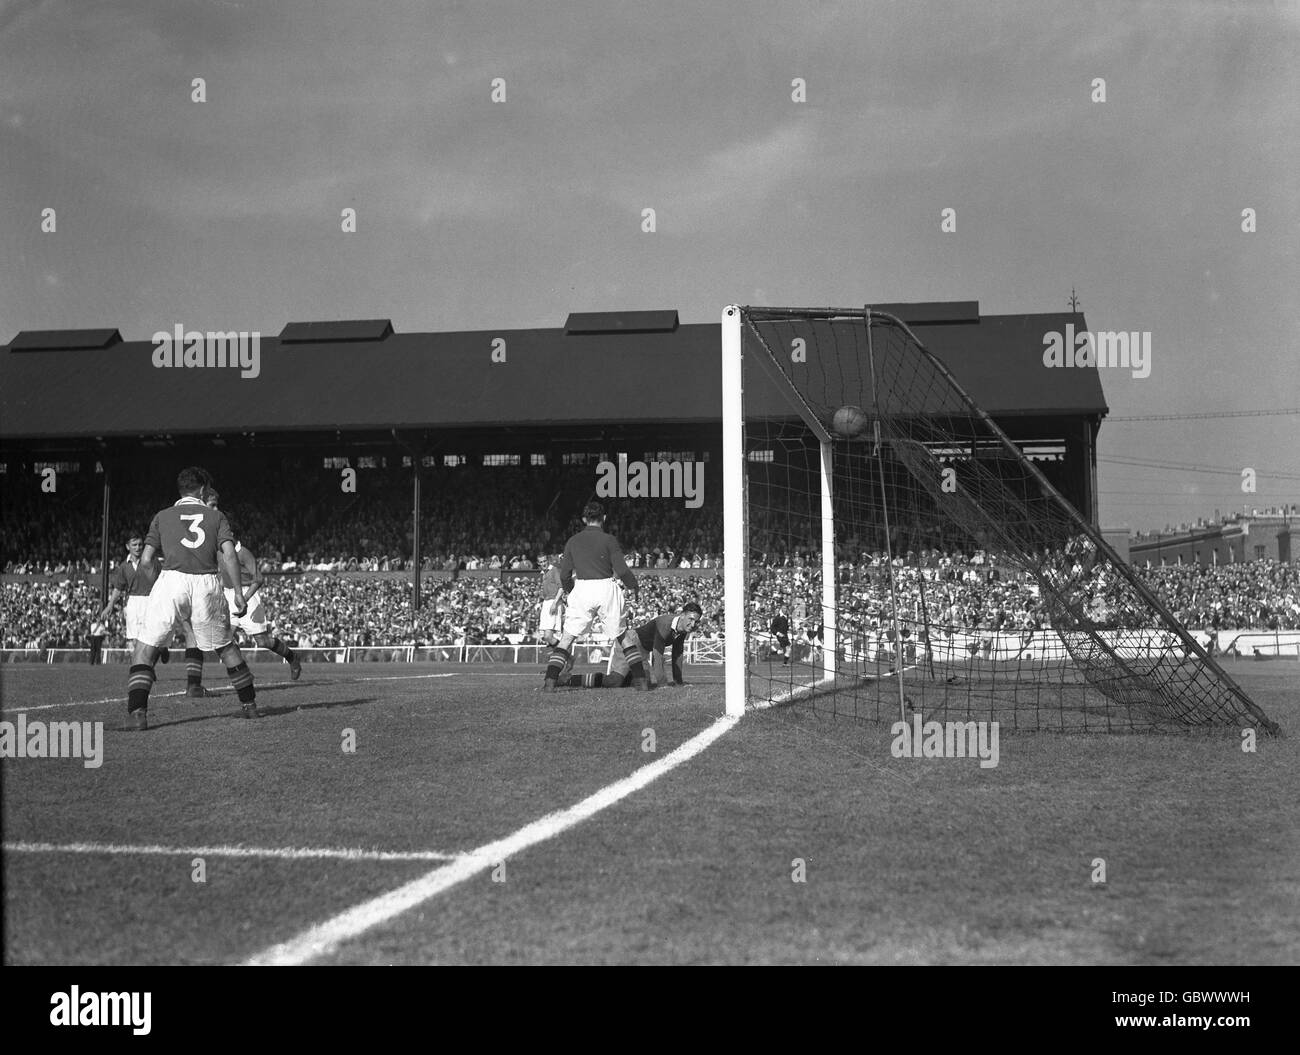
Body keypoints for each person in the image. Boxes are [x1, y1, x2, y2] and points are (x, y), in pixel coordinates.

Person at [125, 467, 257, 730]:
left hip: (172, 579)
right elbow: (229, 555)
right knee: (225, 646)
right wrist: (240, 594)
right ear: (201, 490)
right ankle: (250, 706)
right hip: (205, 582)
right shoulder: (216, 516)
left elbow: (147, 561)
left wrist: (159, 587)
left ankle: (137, 713)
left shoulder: (162, 516)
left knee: (145, 648)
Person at [542, 501, 651, 692]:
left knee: (567, 638)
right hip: (606, 587)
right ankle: (641, 682)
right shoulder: (609, 540)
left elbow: (565, 574)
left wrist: (569, 591)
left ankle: (550, 682)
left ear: (584, 519)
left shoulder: (573, 541)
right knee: (622, 636)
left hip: (583, 587)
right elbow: (622, 569)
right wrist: (633, 586)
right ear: (604, 518)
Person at [604, 602, 703, 687]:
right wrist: (662, 684)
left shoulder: (684, 628)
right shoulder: (665, 624)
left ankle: (628, 674)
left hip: (644, 651)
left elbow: (677, 654)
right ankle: (590, 679)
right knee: (614, 681)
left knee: (644, 684)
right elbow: (657, 655)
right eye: (691, 619)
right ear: (682, 615)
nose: (693, 624)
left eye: (696, 621)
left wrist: (678, 682)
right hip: (630, 642)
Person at [537, 554, 566, 647]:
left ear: (548, 561)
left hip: (554, 602)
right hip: (546, 603)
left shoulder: (554, 570)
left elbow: (561, 588)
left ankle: (566, 655)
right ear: (538, 563)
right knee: (545, 637)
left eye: (544, 561)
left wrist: (554, 603)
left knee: (548, 636)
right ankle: (562, 656)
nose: (543, 563)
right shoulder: (543, 573)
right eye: (541, 562)